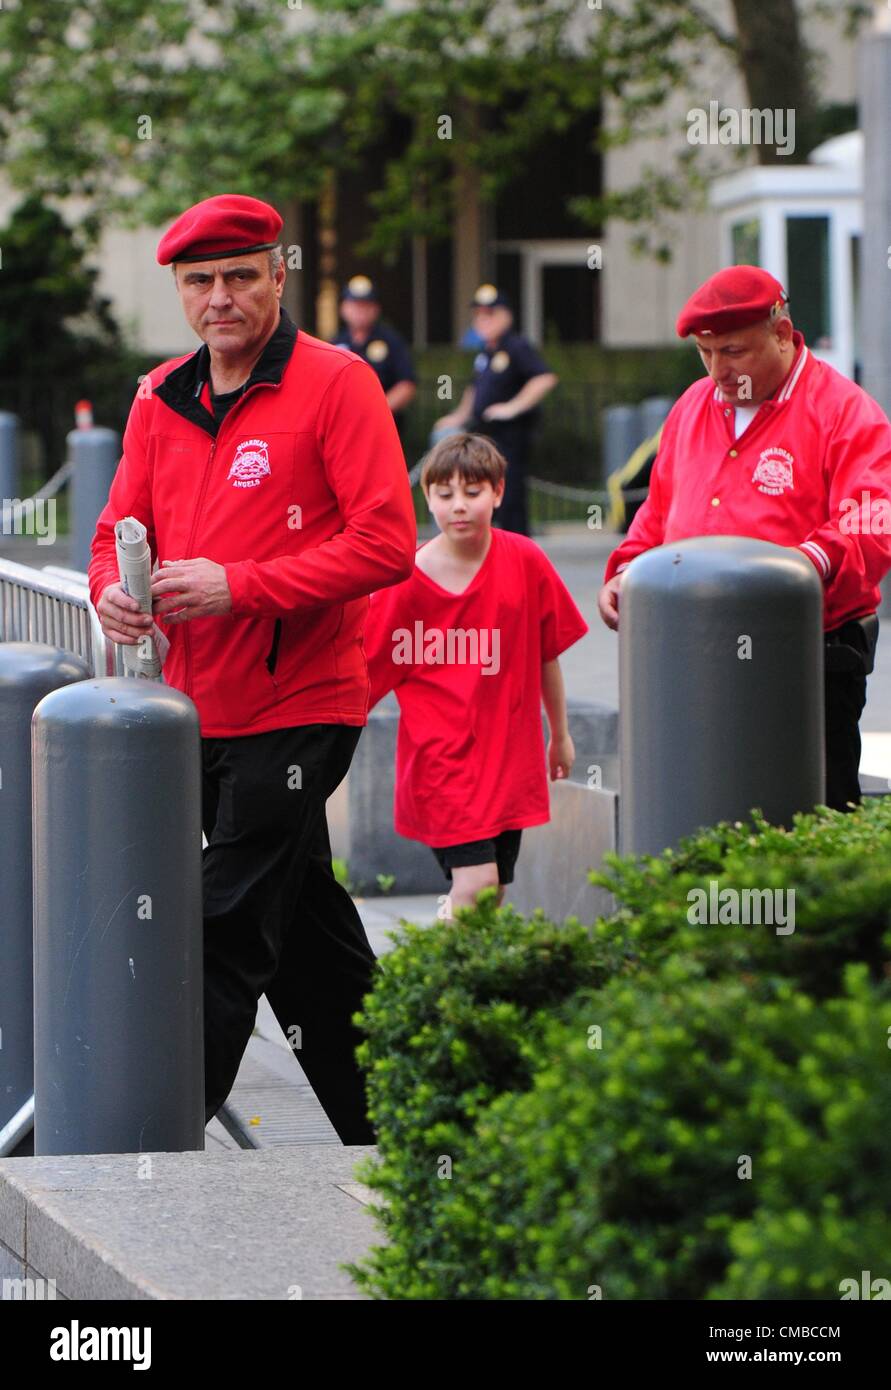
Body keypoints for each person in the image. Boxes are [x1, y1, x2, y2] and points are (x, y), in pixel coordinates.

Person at [87, 193, 416, 1142]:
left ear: (279, 275)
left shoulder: (339, 382)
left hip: (302, 704)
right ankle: (407, 1127)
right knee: (309, 939)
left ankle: (141, 1146)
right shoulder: (158, 395)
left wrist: (241, 586)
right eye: (199, 281)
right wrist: (111, 590)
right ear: (180, 292)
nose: (219, 297)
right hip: (193, 709)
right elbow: (114, 531)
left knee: (221, 922)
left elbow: (386, 545)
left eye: (239, 276)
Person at [597, 264, 891, 813]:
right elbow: (658, 512)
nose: (718, 370)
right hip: (693, 647)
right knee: (700, 807)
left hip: (806, 651)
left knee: (807, 811)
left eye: (732, 351)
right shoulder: (691, 407)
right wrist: (627, 570)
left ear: (782, 334)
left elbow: (870, 523)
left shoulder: (843, 410)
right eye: (705, 353)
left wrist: (793, 571)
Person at [363, 432, 588, 920]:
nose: (459, 506)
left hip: (510, 759)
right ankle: (436, 968)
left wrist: (560, 735)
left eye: (472, 491)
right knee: (477, 883)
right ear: (427, 498)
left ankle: (459, 964)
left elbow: (546, 654)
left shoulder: (526, 560)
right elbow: (363, 679)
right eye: (444, 494)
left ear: (498, 492)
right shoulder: (404, 580)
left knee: (493, 891)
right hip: (442, 761)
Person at [432, 284, 558, 536]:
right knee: (489, 496)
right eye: (478, 314)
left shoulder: (516, 346)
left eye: (490, 314)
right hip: (486, 435)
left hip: (509, 435)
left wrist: (513, 407)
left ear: (506, 315)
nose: (483, 320)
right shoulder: (487, 351)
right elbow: (475, 389)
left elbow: (544, 378)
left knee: (509, 497)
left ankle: (517, 549)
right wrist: (459, 417)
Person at [333, 275, 416, 437]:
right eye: (355, 305)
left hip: (383, 425)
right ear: (343, 308)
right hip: (343, 426)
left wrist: (375, 411)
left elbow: (406, 385)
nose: (360, 311)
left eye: (366, 305)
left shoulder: (391, 341)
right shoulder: (335, 343)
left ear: (376, 309)